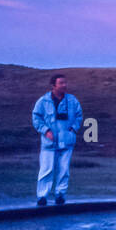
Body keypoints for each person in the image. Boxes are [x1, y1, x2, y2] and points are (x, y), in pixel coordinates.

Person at [31, 73, 83, 207]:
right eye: (61, 83)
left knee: (63, 169)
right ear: (53, 85)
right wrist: (45, 130)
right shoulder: (43, 101)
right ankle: (42, 196)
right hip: (49, 142)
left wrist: (73, 129)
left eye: (65, 83)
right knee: (46, 169)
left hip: (67, 141)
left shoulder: (72, 101)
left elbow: (79, 116)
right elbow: (36, 117)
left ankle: (60, 194)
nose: (64, 85)